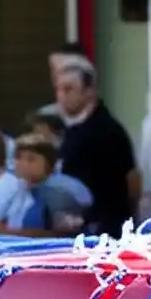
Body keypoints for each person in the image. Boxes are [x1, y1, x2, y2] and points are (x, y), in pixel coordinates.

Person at [54, 60, 140, 237]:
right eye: (58, 90)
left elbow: (132, 177)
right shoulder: (71, 128)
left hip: (104, 228)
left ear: (89, 92)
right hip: (75, 224)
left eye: (69, 89)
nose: (61, 96)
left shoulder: (107, 130)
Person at [6, 133, 92, 237]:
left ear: (48, 163)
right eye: (18, 157)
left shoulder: (59, 191)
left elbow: (64, 237)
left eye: (31, 159)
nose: (22, 163)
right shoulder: (15, 188)